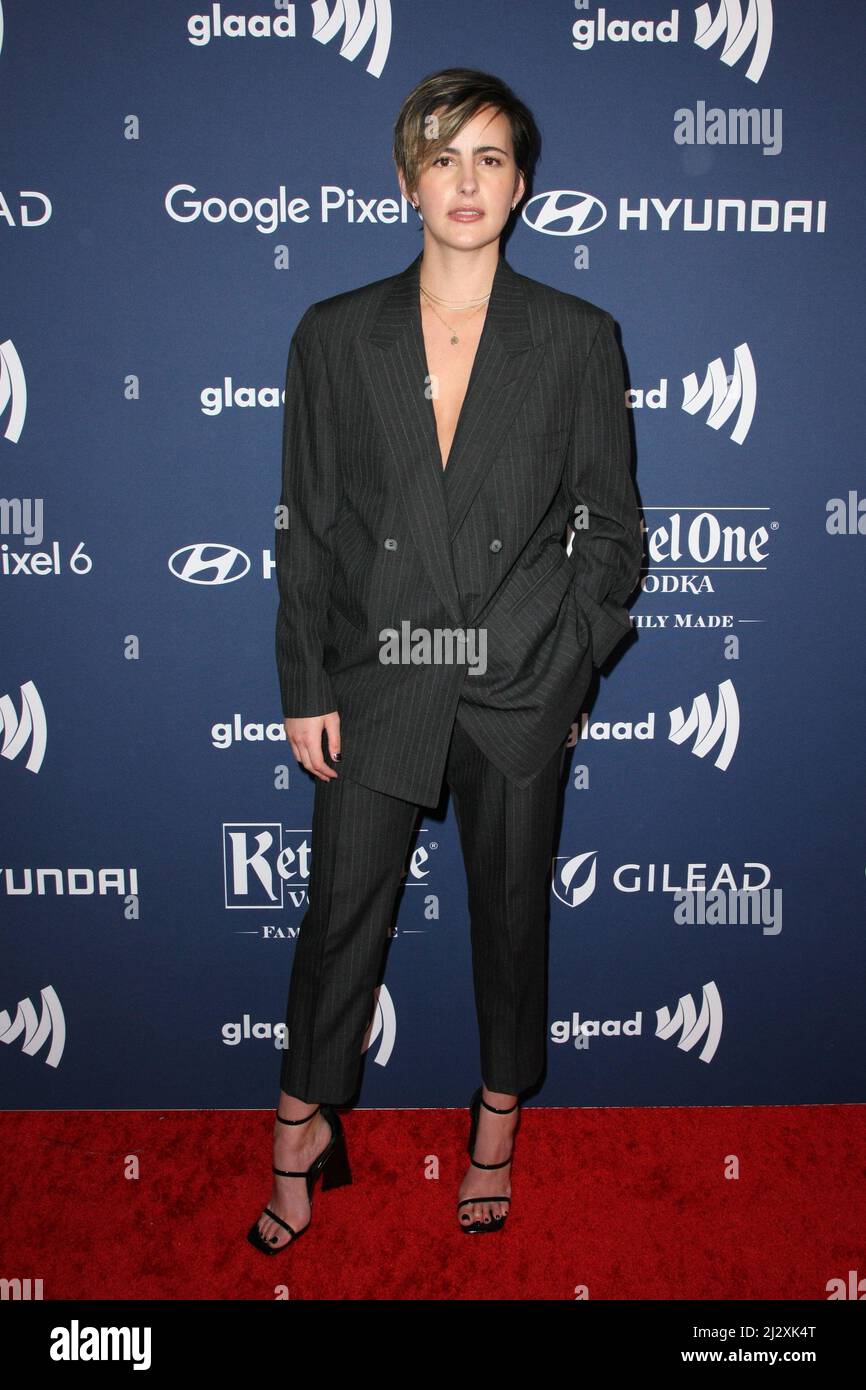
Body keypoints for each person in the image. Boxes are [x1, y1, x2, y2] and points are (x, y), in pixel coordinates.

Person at [248, 67, 643, 1253]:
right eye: (442, 156)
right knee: (337, 921)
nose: (465, 181)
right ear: (406, 177)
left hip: (517, 679)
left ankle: (494, 1119)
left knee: (511, 918)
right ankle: (301, 1122)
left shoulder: (576, 338)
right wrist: (304, 684)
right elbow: (308, 523)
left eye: (489, 159)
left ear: (520, 184)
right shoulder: (332, 332)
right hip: (378, 673)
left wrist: (567, 662)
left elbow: (614, 533)